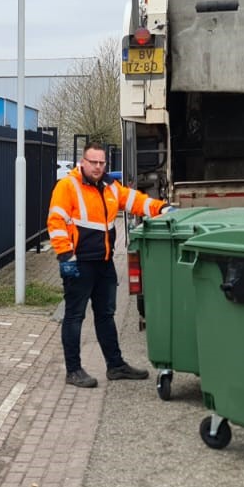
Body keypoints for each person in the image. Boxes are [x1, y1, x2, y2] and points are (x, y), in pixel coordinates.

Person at [47, 144, 166, 388]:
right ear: (83, 162)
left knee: (105, 315)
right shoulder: (68, 186)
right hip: (78, 262)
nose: (98, 166)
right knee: (74, 316)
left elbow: (135, 200)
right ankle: (73, 370)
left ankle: (115, 365)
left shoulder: (110, 186)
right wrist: (65, 256)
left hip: (104, 262)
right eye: (93, 162)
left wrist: (161, 208)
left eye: (102, 163)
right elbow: (56, 220)